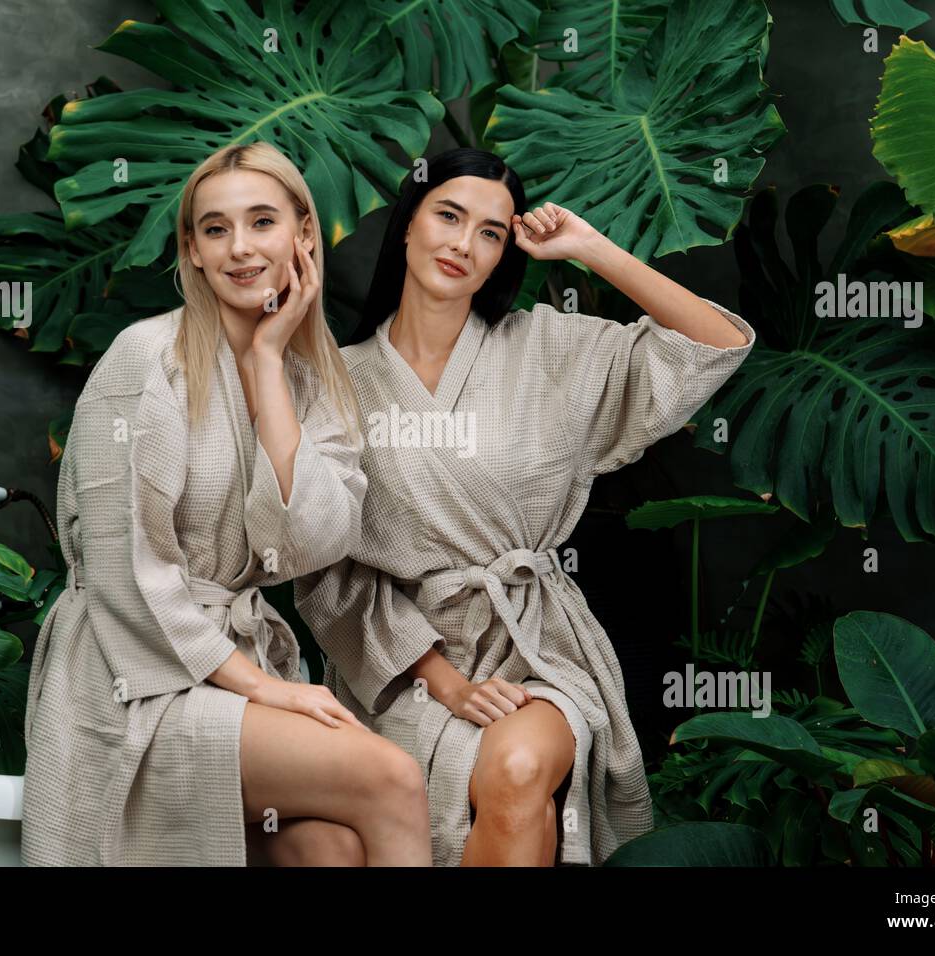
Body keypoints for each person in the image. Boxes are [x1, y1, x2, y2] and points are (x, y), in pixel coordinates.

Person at [295, 147, 756, 866]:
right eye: (448, 216)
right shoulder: (336, 384)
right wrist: (441, 679)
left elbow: (714, 344)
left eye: (490, 232)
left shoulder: (547, 348)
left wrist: (589, 247)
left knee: (514, 769)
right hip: (404, 663)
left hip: (540, 649)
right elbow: (328, 571)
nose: (463, 243)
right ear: (408, 225)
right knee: (526, 815)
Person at [22, 141, 432, 866]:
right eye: (216, 229)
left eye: (263, 222)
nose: (241, 248)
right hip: (133, 672)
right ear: (193, 250)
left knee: (329, 848)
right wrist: (265, 691)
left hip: (229, 671)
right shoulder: (146, 360)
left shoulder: (312, 380)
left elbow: (313, 543)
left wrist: (269, 363)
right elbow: (125, 573)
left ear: (304, 235)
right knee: (390, 773)